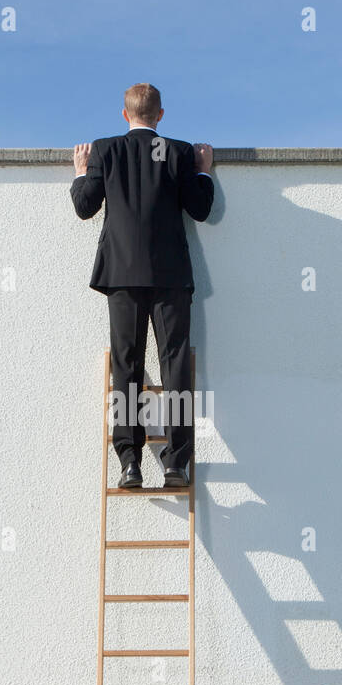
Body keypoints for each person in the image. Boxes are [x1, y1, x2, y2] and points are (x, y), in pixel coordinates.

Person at [71, 82, 214, 488]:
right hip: (169, 276)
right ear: (161, 115)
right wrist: (202, 171)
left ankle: (129, 462)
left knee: (126, 366)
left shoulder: (106, 149)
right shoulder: (178, 151)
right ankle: (176, 463)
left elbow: (85, 207)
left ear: (124, 114)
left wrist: (81, 173)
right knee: (175, 367)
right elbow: (201, 209)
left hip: (121, 276)